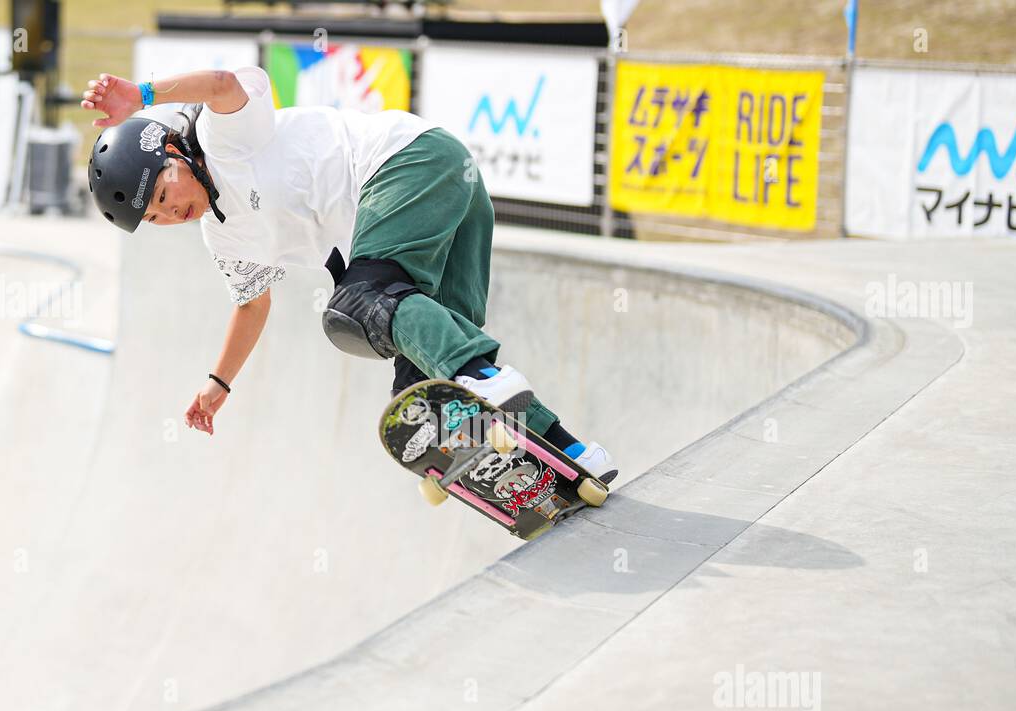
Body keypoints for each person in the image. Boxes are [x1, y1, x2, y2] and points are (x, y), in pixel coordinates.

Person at [81, 67, 616, 481]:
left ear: (174, 152)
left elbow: (222, 83)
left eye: (162, 194)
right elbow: (252, 304)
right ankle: (570, 455)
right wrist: (219, 383)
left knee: (357, 307)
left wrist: (143, 96)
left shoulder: (226, 139)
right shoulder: (223, 237)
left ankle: (482, 379)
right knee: (423, 401)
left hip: (414, 163)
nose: (168, 213)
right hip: (450, 196)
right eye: (154, 217)